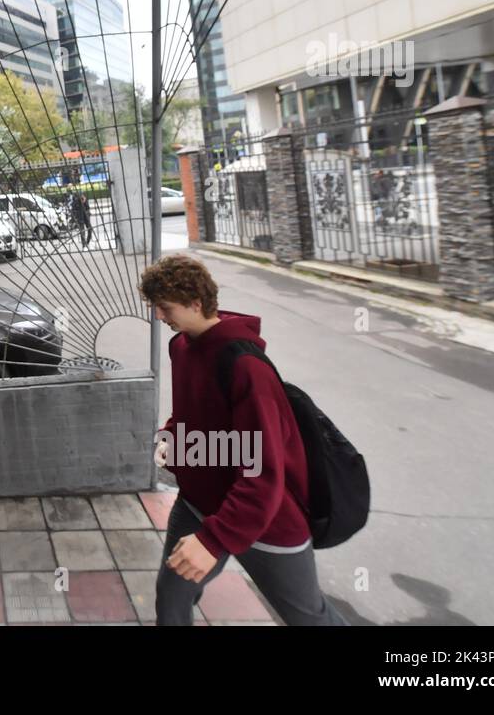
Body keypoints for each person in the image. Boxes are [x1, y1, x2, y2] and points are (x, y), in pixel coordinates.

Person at [138, 253, 348, 626]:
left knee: (308, 618)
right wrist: (171, 435)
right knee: (171, 598)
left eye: (164, 307)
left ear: (195, 303)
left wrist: (214, 541)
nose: (159, 316)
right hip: (199, 505)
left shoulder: (245, 367)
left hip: (266, 521)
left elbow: (264, 474)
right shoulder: (182, 346)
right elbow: (188, 410)